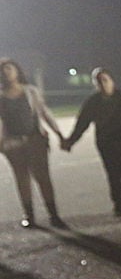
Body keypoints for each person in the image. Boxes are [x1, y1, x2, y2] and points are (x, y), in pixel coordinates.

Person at [63, 68, 121, 218]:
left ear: (112, 80)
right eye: (99, 82)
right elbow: (82, 123)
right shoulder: (93, 102)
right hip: (106, 143)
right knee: (113, 174)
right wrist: (71, 141)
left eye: (105, 80)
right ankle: (119, 205)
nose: (103, 84)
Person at [0, 58, 66, 229]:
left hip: (35, 140)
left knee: (43, 178)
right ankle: (29, 216)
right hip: (13, 144)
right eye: (3, 70)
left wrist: (59, 134)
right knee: (22, 180)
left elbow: (44, 113)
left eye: (9, 68)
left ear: (17, 70)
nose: (6, 72)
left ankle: (54, 215)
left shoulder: (30, 91)